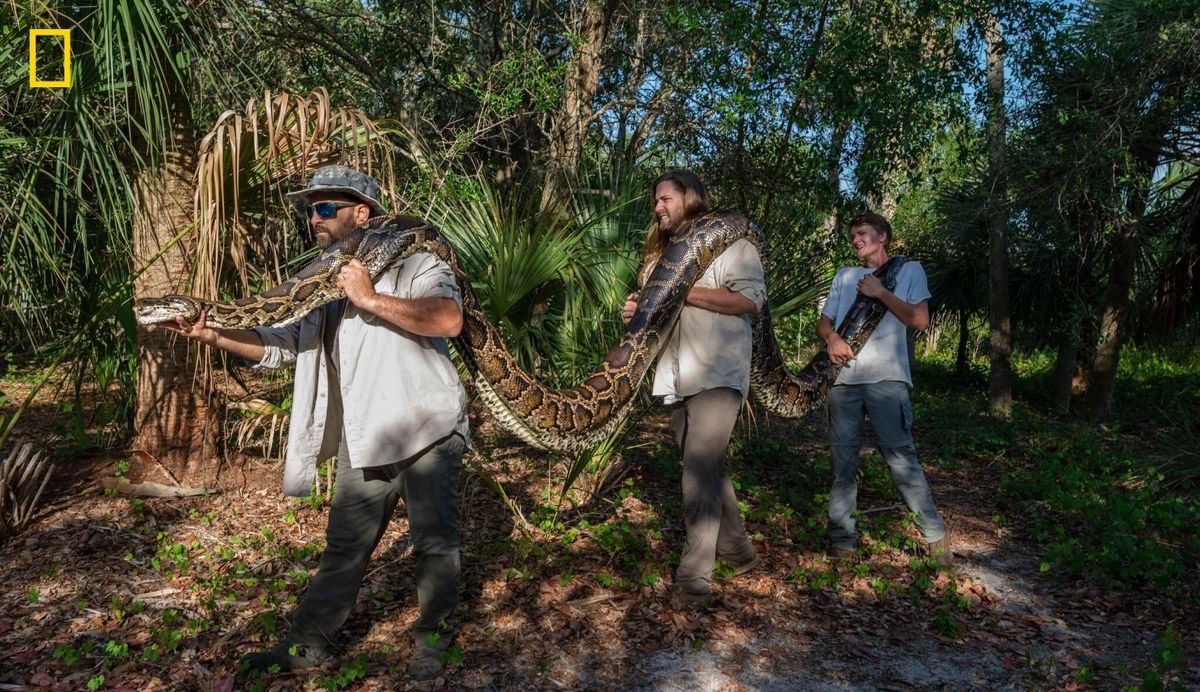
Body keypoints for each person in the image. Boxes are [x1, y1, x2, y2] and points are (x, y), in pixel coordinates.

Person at [163, 165, 470, 680]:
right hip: (363, 434)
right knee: (344, 548)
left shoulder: (416, 261)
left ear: (362, 213)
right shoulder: (318, 287)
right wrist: (211, 334)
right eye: (310, 209)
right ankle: (308, 645)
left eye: (326, 207)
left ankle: (433, 645)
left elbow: (448, 318)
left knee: (434, 545)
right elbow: (277, 348)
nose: (315, 218)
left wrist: (369, 297)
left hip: (425, 429)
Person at [622, 170, 764, 604]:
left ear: (691, 197)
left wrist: (681, 291)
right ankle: (738, 552)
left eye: (666, 198)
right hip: (677, 375)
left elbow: (748, 301)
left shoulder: (732, 245)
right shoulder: (660, 256)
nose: (658, 207)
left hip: (719, 372)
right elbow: (656, 311)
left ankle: (693, 579)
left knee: (698, 468)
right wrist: (638, 311)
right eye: (655, 201)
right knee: (705, 465)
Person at [816, 212, 950, 565]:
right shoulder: (844, 277)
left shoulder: (908, 271)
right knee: (842, 465)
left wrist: (881, 292)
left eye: (863, 233)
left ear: (883, 236)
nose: (856, 240)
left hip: (887, 380)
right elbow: (824, 321)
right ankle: (842, 543)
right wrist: (830, 339)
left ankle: (936, 539)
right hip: (842, 382)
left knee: (901, 461)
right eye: (853, 235)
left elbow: (920, 321)